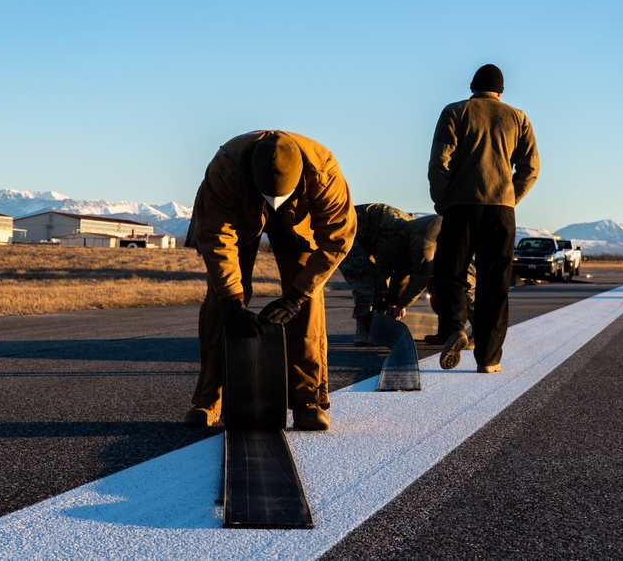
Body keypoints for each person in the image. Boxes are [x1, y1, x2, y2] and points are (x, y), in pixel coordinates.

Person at [184, 130, 356, 431]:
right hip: (238, 219)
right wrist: (233, 301)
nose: (274, 205)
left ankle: (308, 401)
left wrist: (297, 296)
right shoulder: (226, 167)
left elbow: (337, 239)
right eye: (268, 198)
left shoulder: (324, 171)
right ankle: (210, 399)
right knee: (219, 298)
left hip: (299, 223)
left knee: (309, 296)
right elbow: (215, 237)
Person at [428, 64, 539, 373]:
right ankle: (489, 358)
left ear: (472, 87)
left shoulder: (455, 112)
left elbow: (439, 163)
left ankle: (454, 328)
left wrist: (443, 201)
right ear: (500, 92)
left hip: (460, 207)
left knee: (450, 272)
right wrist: (508, 197)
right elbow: (530, 169)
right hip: (501, 212)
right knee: (495, 284)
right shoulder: (518, 118)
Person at [337, 204, 442, 345]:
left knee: (381, 284)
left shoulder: (411, 236)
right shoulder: (391, 237)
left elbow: (404, 271)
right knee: (366, 280)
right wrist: (391, 306)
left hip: (370, 234)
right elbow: (383, 273)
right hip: (343, 233)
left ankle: (377, 325)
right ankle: (364, 328)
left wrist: (396, 303)